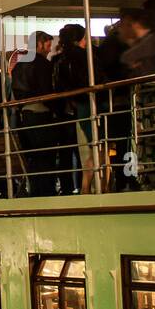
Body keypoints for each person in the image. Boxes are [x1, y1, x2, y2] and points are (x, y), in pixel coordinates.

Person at [52, 24, 100, 195]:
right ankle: (90, 186)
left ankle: (79, 187)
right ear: (79, 39)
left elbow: (59, 85)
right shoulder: (87, 56)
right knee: (98, 146)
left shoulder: (59, 60)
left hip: (71, 108)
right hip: (89, 103)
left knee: (79, 149)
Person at [11, 31, 59, 196]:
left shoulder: (20, 65)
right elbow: (46, 92)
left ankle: (36, 190)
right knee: (46, 155)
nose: (50, 48)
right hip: (41, 113)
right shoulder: (42, 64)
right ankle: (46, 190)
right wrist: (57, 108)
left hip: (25, 113)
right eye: (48, 44)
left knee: (34, 156)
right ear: (39, 44)